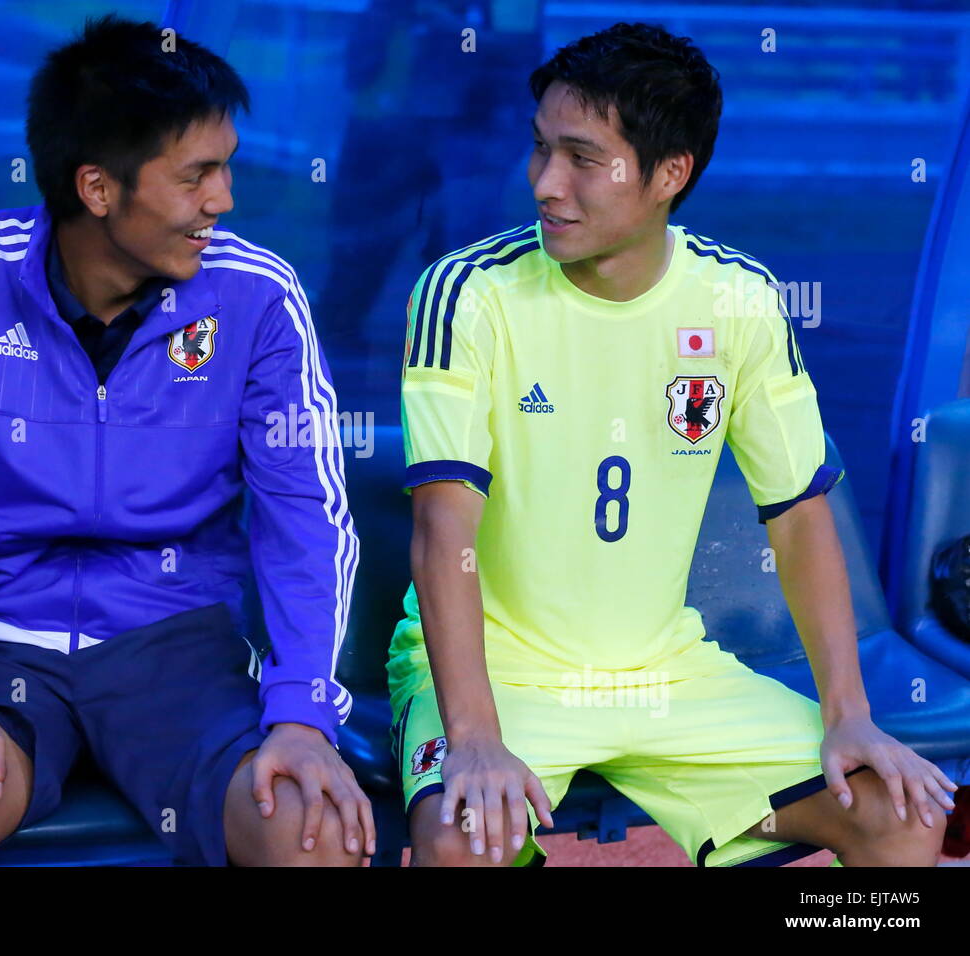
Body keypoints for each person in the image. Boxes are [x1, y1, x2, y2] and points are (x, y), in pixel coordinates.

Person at [390, 21, 957, 867]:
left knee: (901, 820)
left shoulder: (739, 300)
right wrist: (473, 735)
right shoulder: (467, 294)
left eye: (582, 158)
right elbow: (444, 529)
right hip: (497, 678)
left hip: (666, 673)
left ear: (669, 175)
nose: (545, 183)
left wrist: (848, 711)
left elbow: (801, 515)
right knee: (461, 840)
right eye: (540, 148)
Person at [0, 14, 369, 866]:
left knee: (315, 831)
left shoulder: (259, 296)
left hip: (179, 646)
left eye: (226, 168)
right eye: (197, 174)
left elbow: (305, 518)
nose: (224, 200)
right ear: (97, 189)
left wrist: (305, 711)